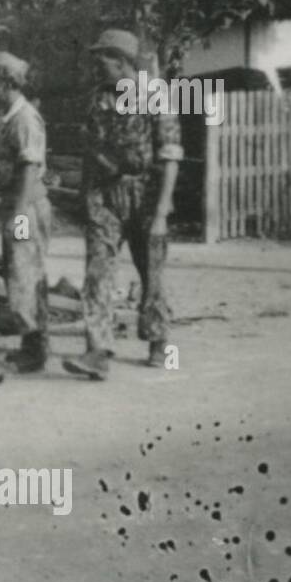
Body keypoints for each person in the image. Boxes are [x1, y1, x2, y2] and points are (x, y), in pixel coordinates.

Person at [63, 29, 182, 381]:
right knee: (97, 273)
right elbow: (89, 150)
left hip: (146, 192)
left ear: (121, 61)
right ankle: (97, 351)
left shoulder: (154, 94)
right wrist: (86, 199)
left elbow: (171, 155)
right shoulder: (98, 98)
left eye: (103, 57)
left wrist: (162, 211)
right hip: (105, 196)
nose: (97, 64)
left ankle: (158, 340)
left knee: (153, 273)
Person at [0, 50, 52, 372]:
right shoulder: (12, 117)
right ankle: (32, 343)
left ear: (5, 82)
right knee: (20, 271)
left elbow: (29, 166)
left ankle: (35, 349)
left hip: (27, 205)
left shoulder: (24, 118)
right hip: (20, 203)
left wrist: (20, 214)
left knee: (25, 272)